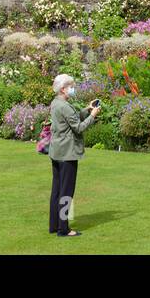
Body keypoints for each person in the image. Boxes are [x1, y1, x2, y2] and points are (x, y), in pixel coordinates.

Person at [48, 74, 100, 237]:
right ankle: (64, 229)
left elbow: (71, 119)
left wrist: (86, 109)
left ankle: (55, 225)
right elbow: (78, 127)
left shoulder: (56, 103)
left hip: (57, 152)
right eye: (71, 86)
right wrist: (92, 116)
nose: (73, 89)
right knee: (67, 191)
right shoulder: (65, 106)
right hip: (68, 153)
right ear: (63, 89)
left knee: (57, 190)